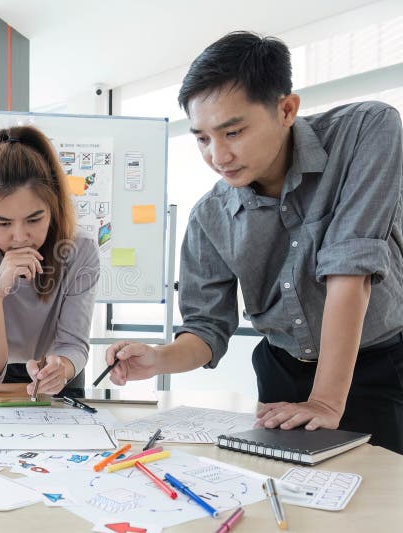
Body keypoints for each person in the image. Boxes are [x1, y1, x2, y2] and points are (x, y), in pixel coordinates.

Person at [106, 31, 403, 454]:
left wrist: (324, 402)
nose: (218, 157)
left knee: (381, 488)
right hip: (281, 371)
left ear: (286, 109)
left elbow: (349, 271)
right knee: (285, 485)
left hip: (378, 365)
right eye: (202, 138)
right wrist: (159, 358)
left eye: (233, 132)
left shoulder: (365, 131)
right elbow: (207, 329)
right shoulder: (209, 216)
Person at [0, 126, 100, 394]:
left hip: (58, 372)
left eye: (34, 219)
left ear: (52, 207)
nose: (20, 237)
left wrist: (61, 368)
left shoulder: (80, 250)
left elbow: (73, 345)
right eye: (3, 223)